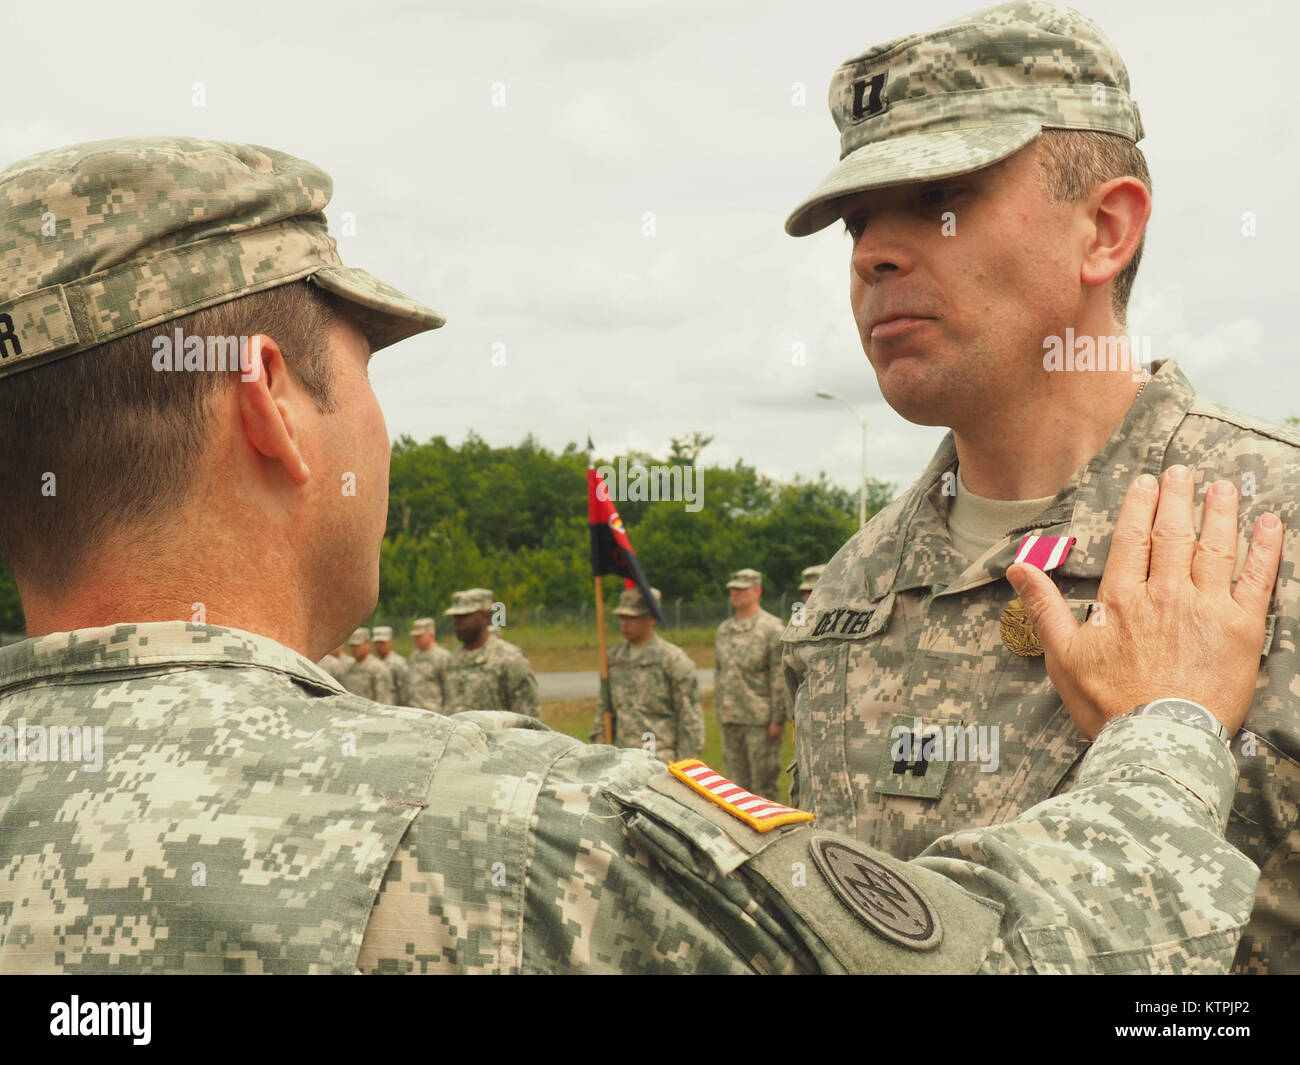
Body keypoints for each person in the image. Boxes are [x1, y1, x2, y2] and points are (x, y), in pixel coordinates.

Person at [0, 136, 1282, 974]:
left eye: (939, 205)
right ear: (271, 404)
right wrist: (1169, 725)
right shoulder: (515, 841)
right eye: (366, 374)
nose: (876, 256)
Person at [781, 2, 1300, 973]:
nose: (869, 254)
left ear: (1103, 228)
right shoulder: (845, 595)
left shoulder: (1279, 528)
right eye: (857, 219)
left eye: (939, 200)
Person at [588, 587, 704, 763]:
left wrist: (685, 766)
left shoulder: (672, 660)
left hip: (661, 759)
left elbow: (690, 719)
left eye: (632, 617)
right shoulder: (613, 659)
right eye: (622, 617)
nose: (624, 623)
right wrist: (599, 754)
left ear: (651, 618)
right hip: (621, 760)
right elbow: (604, 712)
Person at [714, 569, 787, 797]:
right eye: (732, 588)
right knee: (735, 789)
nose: (734, 593)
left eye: (741, 589)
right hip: (731, 718)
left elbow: (778, 676)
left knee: (763, 789)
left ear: (757, 591)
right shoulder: (724, 630)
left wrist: (778, 718)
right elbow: (720, 673)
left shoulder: (772, 628)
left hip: (760, 721)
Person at [444, 589, 540, 717]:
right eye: (455, 617)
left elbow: (529, 719)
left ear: (485, 616)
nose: (456, 622)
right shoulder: (453, 660)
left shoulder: (509, 659)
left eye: (464, 616)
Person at [341, 626, 395, 704]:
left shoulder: (378, 668)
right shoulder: (349, 667)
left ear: (367, 644)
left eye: (357, 646)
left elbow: (384, 700)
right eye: (352, 646)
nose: (354, 649)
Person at [407, 617, 449, 713]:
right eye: (415, 636)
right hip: (414, 711)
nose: (416, 639)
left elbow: (448, 689)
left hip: (434, 712)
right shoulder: (414, 656)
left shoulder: (442, 657)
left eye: (419, 636)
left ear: (431, 635)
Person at [372, 625, 411, 706]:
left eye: (382, 643)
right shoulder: (373, 664)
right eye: (377, 643)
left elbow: (404, 691)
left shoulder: (398, 663)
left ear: (390, 642)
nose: (379, 646)